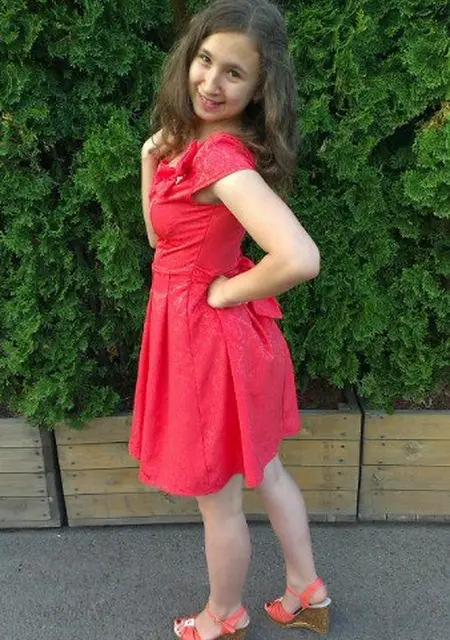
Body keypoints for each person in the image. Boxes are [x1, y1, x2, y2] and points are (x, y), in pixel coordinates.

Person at [129, 0, 331, 637]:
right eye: (205, 60)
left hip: (205, 344)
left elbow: (300, 257)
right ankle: (308, 591)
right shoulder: (196, 147)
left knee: (218, 501)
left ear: (259, 88)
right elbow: (160, 239)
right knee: (267, 469)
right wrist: (150, 158)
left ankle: (224, 615)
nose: (211, 82)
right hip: (229, 340)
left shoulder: (220, 159)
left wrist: (224, 294)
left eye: (234, 73)